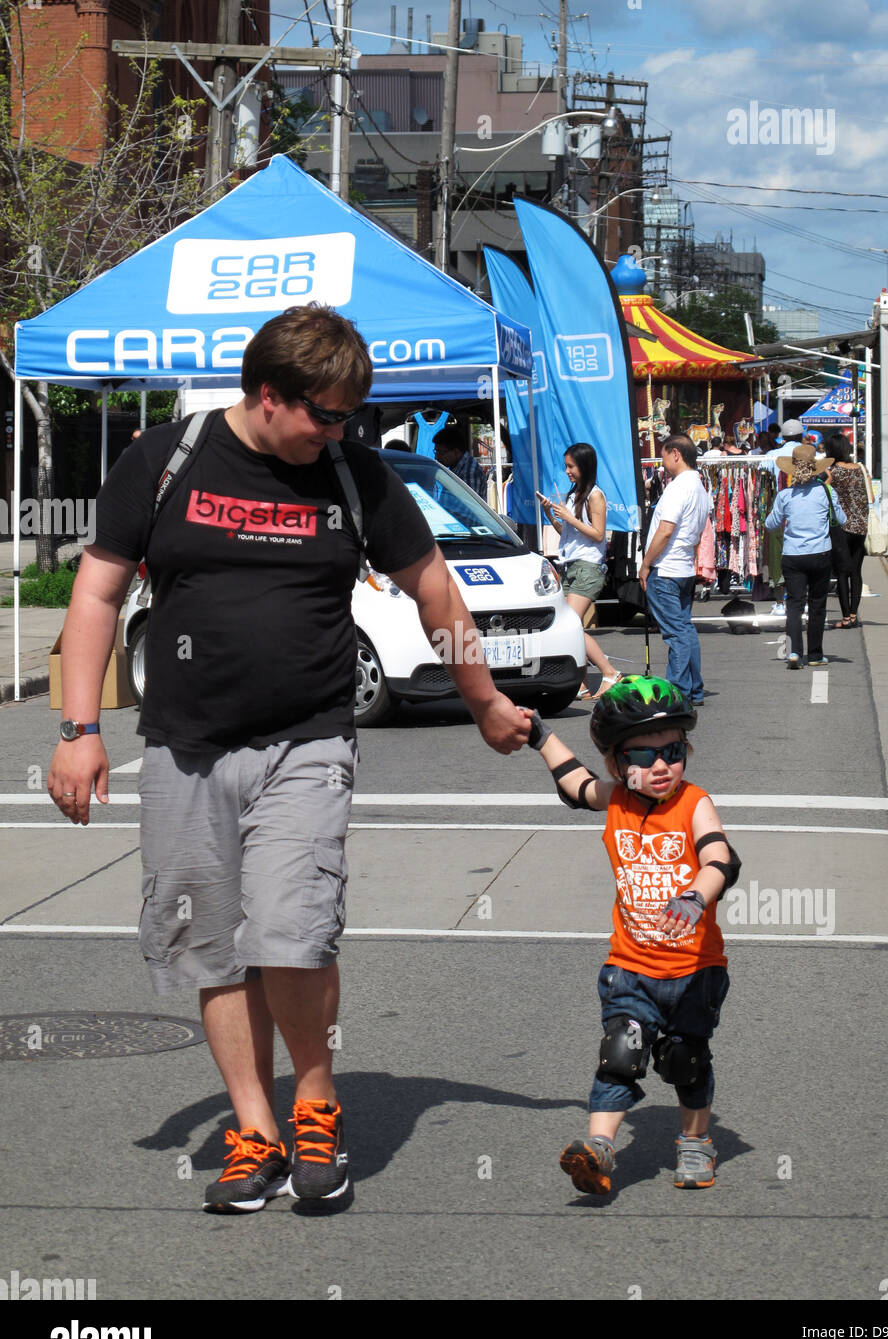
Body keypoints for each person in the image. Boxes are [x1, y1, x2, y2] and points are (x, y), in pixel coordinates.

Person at [47, 304, 531, 1215]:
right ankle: (254, 1130)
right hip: (186, 749)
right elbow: (97, 594)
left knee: (292, 931)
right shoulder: (165, 461)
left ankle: (315, 1104)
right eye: (326, 414)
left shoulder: (354, 473)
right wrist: (79, 732)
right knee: (212, 946)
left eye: (351, 416)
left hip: (307, 742)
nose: (339, 431)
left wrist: (484, 699)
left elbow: (435, 589)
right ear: (268, 395)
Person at [524, 675, 739, 1193]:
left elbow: (719, 857)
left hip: (694, 970)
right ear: (617, 764)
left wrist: (695, 896)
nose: (661, 765)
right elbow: (576, 786)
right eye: (643, 755)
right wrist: (539, 736)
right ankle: (598, 1149)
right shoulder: (617, 798)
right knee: (621, 1054)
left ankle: (696, 1143)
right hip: (630, 966)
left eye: (673, 752)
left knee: (686, 1061)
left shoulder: (694, 803)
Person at [539, 442, 621, 700]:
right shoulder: (575, 494)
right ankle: (582, 683)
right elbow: (569, 534)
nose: (567, 471)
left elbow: (598, 535)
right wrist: (551, 515)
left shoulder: (595, 495)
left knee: (571, 626)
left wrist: (569, 517)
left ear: (584, 466)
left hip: (588, 567)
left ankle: (610, 672)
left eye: (571, 466)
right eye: (566, 466)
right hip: (572, 564)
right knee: (565, 625)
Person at [638, 434, 711, 707]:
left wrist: (646, 564)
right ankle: (693, 689)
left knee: (676, 633)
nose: (662, 462)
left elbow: (665, 530)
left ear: (676, 454)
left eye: (664, 456)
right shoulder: (699, 487)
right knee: (684, 629)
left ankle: (679, 691)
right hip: (683, 568)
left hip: (666, 569)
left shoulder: (678, 487)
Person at [764, 443, 846, 670]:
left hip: (793, 555)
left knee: (794, 605)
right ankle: (815, 654)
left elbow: (771, 524)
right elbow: (841, 520)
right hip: (820, 553)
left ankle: (794, 651)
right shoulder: (826, 492)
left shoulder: (785, 495)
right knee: (817, 604)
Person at [822, 431, 870, 628]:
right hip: (861, 527)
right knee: (856, 572)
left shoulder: (832, 471)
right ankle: (853, 614)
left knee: (842, 572)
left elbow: (822, 491)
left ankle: (845, 617)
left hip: (841, 527)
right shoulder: (861, 468)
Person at [433, 424, 488, 500]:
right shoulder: (457, 468)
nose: (436, 457)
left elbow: (466, 506)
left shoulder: (469, 472)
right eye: (436, 452)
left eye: (441, 453)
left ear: (456, 452)